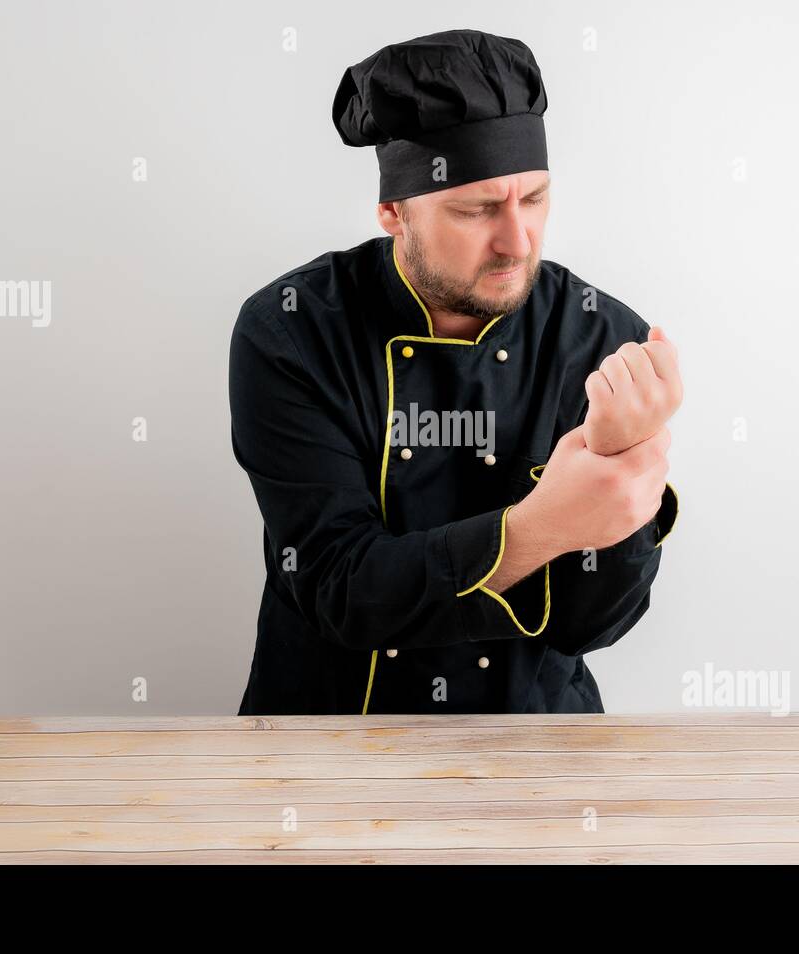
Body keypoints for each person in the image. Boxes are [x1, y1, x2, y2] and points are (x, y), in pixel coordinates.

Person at [231, 29, 682, 715]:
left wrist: (626, 481)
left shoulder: (600, 337)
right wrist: (543, 527)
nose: (517, 240)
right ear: (393, 213)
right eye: (476, 210)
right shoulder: (292, 329)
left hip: (533, 741)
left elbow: (595, 625)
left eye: (533, 200)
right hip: (327, 741)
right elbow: (342, 591)